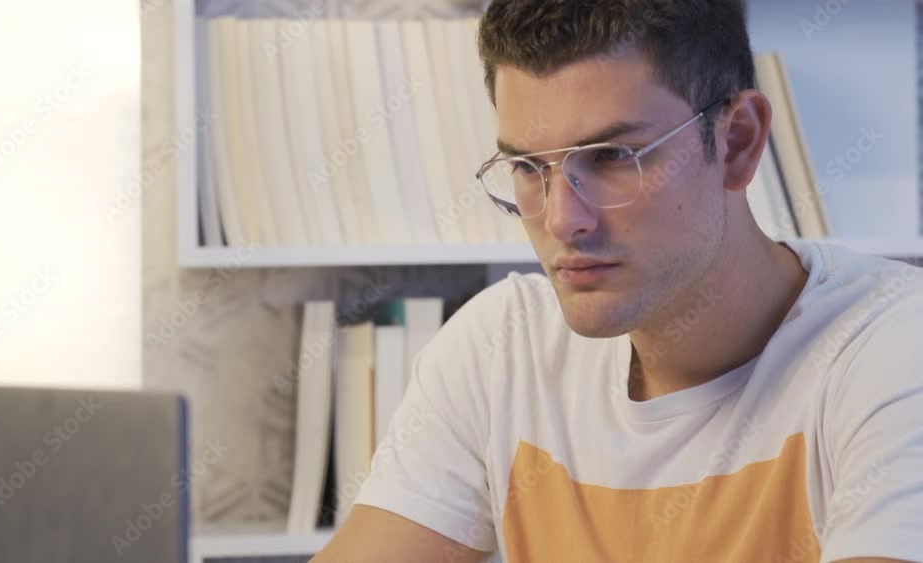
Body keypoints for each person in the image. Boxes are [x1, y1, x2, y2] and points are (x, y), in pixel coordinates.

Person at [313, 1, 923, 561]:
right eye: (527, 167)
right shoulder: (502, 347)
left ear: (737, 142)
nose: (561, 220)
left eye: (610, 157)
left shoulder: (892, 348)